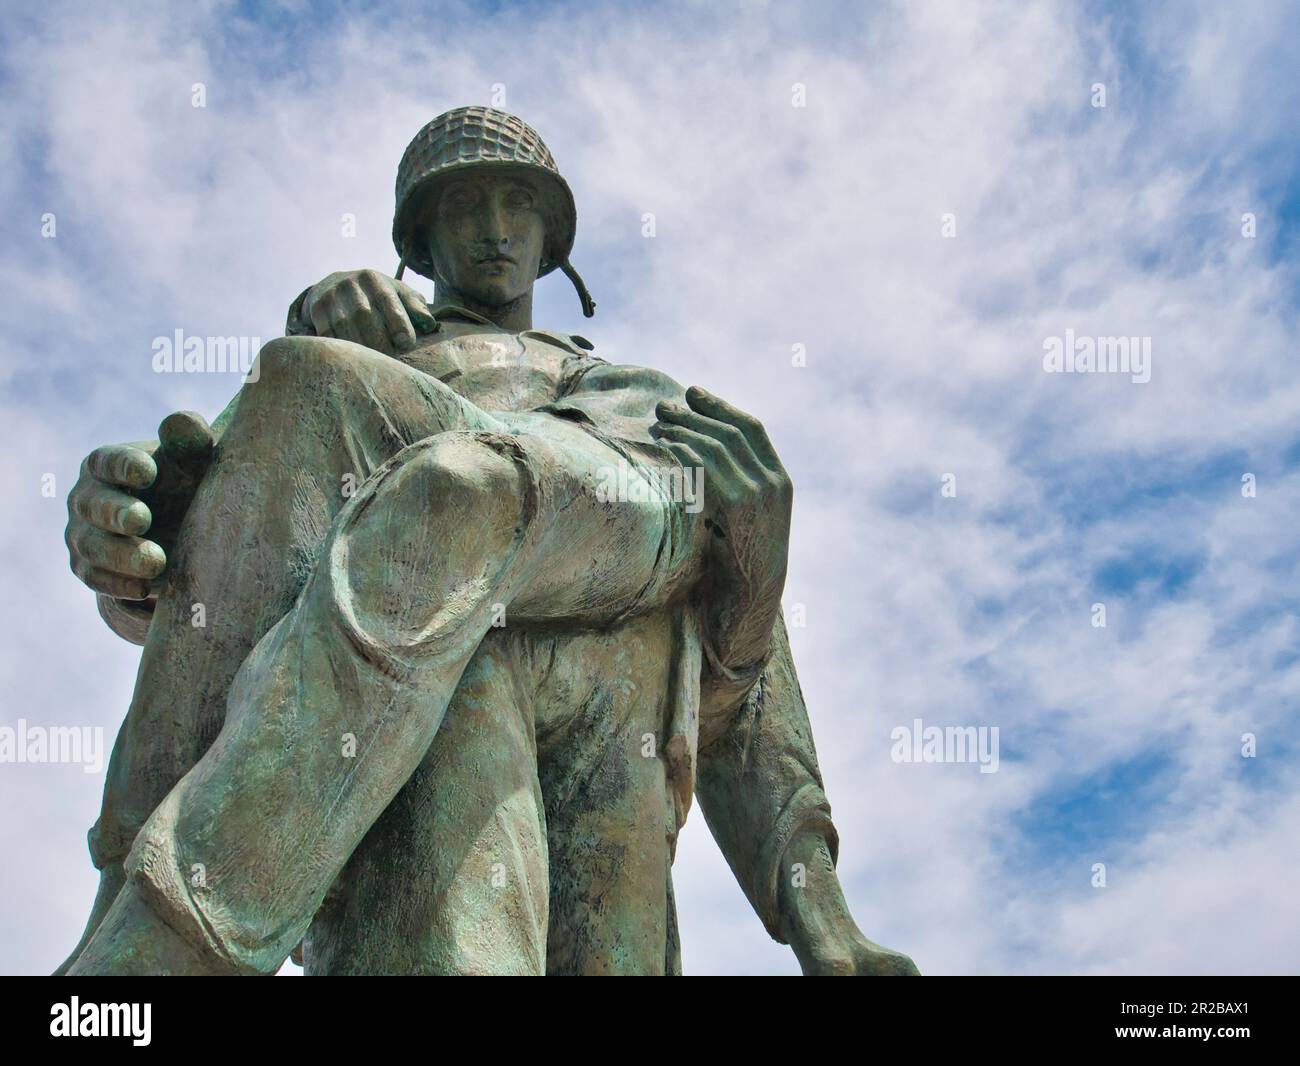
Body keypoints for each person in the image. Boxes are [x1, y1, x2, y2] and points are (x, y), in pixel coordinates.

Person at [59, 107, 918, 976]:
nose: (496, 229)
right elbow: (233, 553)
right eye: (464, 206)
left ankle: (145, 941)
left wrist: (818, 907)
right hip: (433, 658)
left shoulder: (637, 396)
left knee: (642, 495)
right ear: (420, 242)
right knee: (336, 421)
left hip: (602, 601)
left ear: (553, 238)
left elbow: (741, 622)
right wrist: (135, 537)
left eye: (518, 203)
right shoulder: (344, 363)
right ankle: (135, 924)